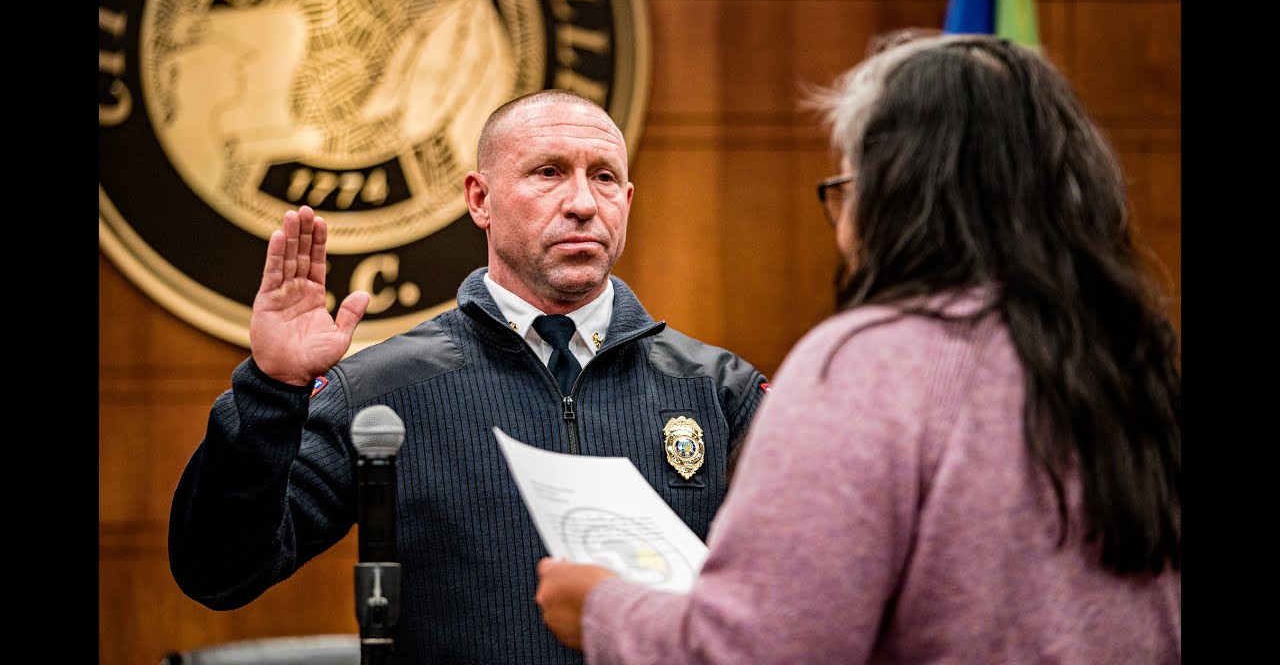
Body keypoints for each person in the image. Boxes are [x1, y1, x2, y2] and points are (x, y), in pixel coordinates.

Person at [534, 33, 1182, 663]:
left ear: (894, 196)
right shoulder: (1133, 364)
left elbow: (763, 648)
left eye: (846, 188)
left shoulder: (868, 366)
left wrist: (602, 610)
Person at [167, 89, 770, 664]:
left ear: (628, 201)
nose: (584, 202)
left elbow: (794, 599)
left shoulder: (720, 390)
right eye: (549, 172)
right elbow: (218, 572)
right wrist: (272, 389)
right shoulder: (380, 394)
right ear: (480, 199)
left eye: (605, 177)